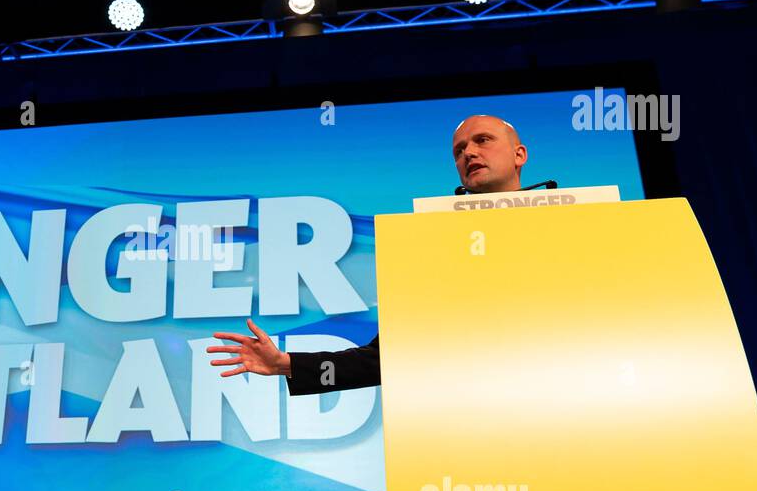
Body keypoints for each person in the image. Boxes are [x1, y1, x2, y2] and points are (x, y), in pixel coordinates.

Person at [206, 114, 528, 394]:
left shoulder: (574, 229)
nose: (469, 153)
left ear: (519, 154)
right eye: (459, 151)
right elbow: (384, 359)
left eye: (482, 140)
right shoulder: (432, 248)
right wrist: (286, 364)